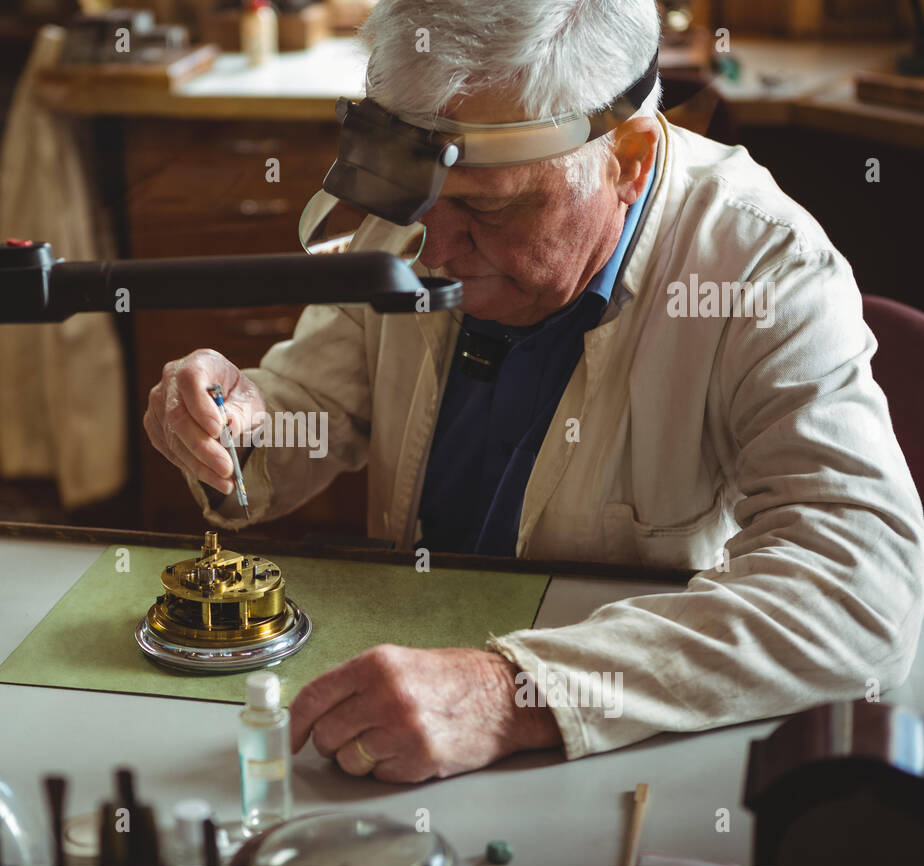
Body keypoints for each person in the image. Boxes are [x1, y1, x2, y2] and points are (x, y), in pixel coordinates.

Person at [143, 0, 924, 782]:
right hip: (401, 725)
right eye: (418, 202)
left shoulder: (761, 269)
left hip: (609, 753)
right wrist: (235, 424)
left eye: (492, 209)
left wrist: (515, 695)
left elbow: (861, 590)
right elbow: (316, 407)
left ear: (629, 160)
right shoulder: (418, 223)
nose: (436, 251)